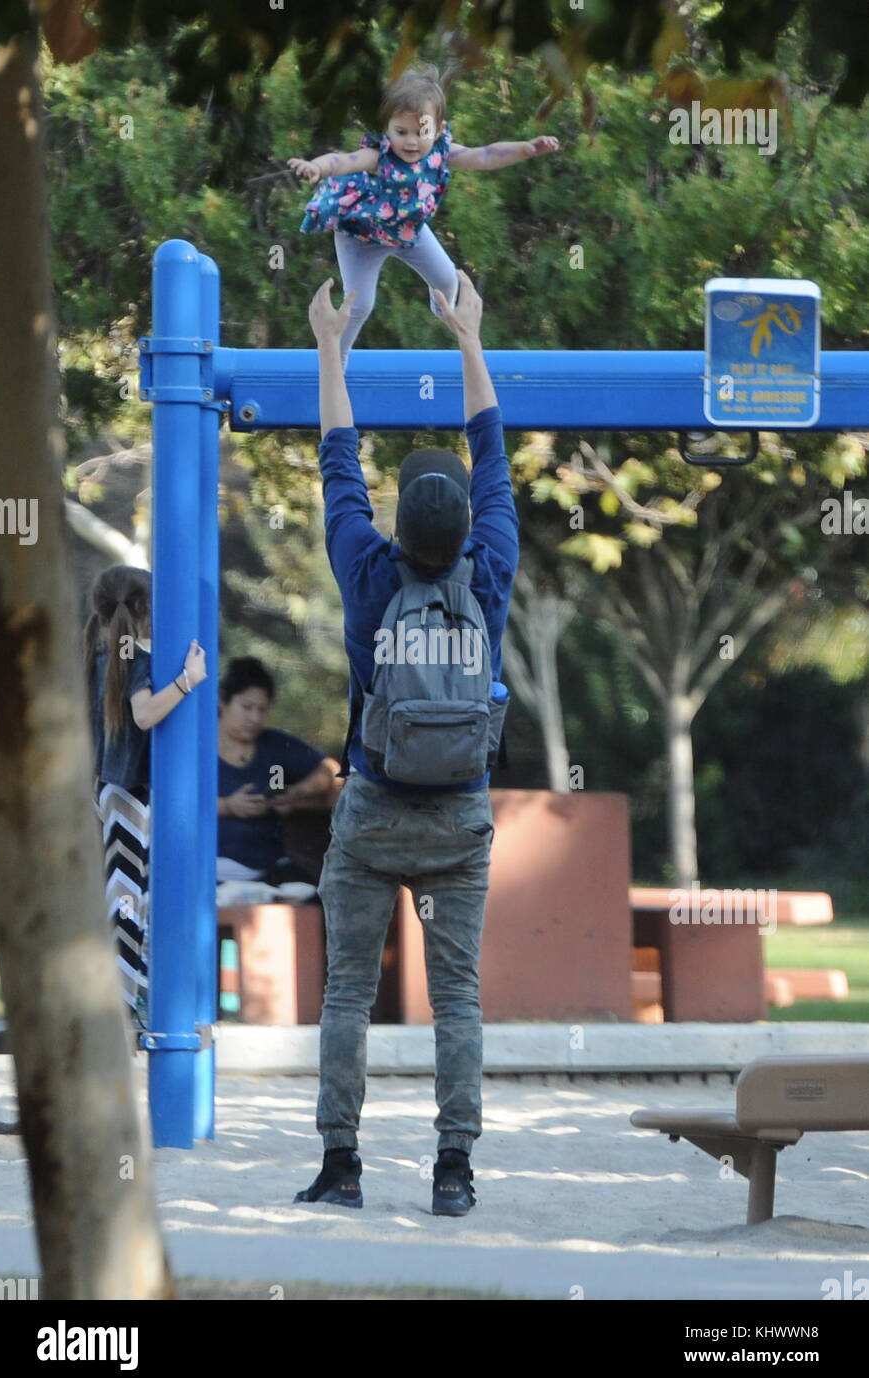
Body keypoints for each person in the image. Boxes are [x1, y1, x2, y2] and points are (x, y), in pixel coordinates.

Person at [294, 268, 518, 1216]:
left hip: (374, 813)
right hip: (460, 821)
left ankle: (342, 1166)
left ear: (398, 522)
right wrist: (467, 335)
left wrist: (329, 345)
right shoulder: (491, 572)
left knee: (348, 992)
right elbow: (492, 449)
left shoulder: (366, 575)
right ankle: (453, 1173)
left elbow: (337, 458)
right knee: (456, 997)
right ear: (466, 526)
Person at [288, 62, 559, 368]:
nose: (412, 141)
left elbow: (485, 155)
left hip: (408, 231)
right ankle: (335, 360)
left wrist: (526, 149)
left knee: (447, 279)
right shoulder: (378, 156)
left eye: (422, 132)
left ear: (439, 129)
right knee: (360, 304)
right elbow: (344, 161)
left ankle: (443, 313)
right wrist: (316, 167)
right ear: (385, 129)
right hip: (360, 235)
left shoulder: (442, 152)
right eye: (401, 131)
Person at [85, 565, 207, 1027]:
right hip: (128, 789)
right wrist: (187, 680)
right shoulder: (133, 657)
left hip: (108, 786)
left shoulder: (98, 655)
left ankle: (132, 1000)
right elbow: (145, 714)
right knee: (128, 900)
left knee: (126, 894)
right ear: (143, 611)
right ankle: (125, 1008)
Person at [217, 656, 340, 887]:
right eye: (247, 707)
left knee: (315, 898)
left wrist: (294, 793)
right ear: (223, 700)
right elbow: (171, 801)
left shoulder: (274, 745)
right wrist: (227, 806)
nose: (254, 718)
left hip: (271, 869)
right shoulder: (197, 743)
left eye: (262, 710)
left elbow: (330, 770)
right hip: (209, 869)